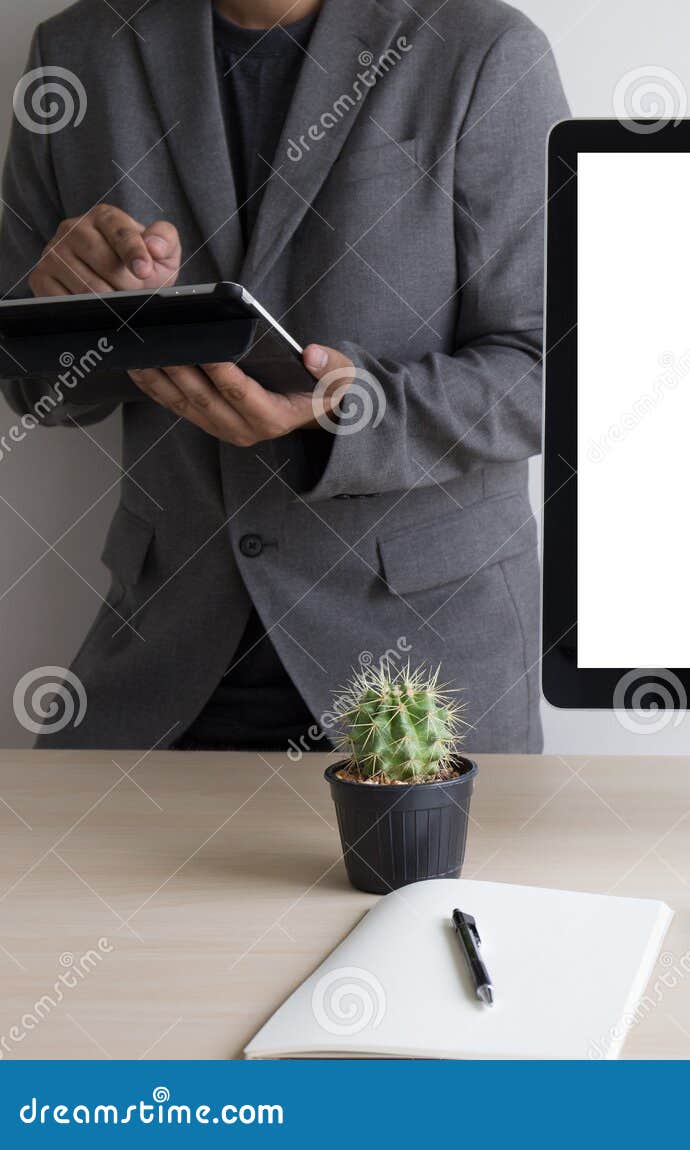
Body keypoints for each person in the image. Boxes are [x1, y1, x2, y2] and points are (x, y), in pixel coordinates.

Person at [0, 0, 567, 751]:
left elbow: (557, 372)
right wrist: (78, 312)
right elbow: (32, 388)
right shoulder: (73, 51)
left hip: (425, 685)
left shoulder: (487, 48)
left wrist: (345, 413)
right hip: (162, 674)